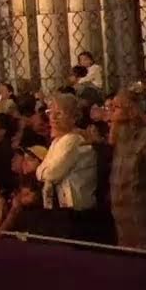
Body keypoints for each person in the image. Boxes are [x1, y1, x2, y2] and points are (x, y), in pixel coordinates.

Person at [37, 93, 97, 240]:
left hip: (75, 208)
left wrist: (43, 172)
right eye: (50, 113)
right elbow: (40, 171)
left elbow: (52, 173)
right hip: (62, 206)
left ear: (74, 117)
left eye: (59, 113)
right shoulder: (57, 141)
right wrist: (43, 171)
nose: (53, 118)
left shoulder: (72, 140)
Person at [107, 89, 146, 249]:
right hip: (121, 214)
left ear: (131, 110)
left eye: (116, 108)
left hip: (144, 213)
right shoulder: (122, 136)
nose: (111, 113)